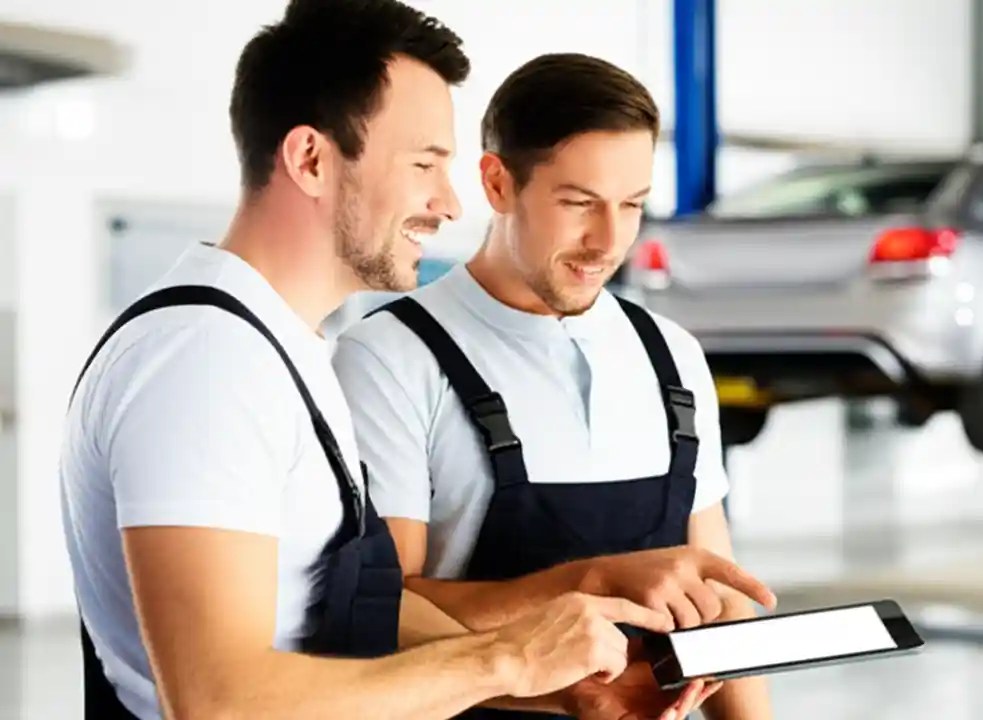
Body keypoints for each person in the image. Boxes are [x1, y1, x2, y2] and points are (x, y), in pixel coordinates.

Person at [59, 3, 715, 719]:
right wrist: (511, 659)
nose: (449, 201)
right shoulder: (206, 363)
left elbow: (360, 614)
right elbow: (221, 702)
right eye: (424, 164)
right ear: (311, 160)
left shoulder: (279, 350)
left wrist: (569, 690)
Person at [332, 53, 777, 720]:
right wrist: (588, 589)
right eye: (578, 203)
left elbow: (719, 603)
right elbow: (377, 611)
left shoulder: (673, 358)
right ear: (497, 182)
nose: (608, 240)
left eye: (632, 205)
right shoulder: (390, 359)